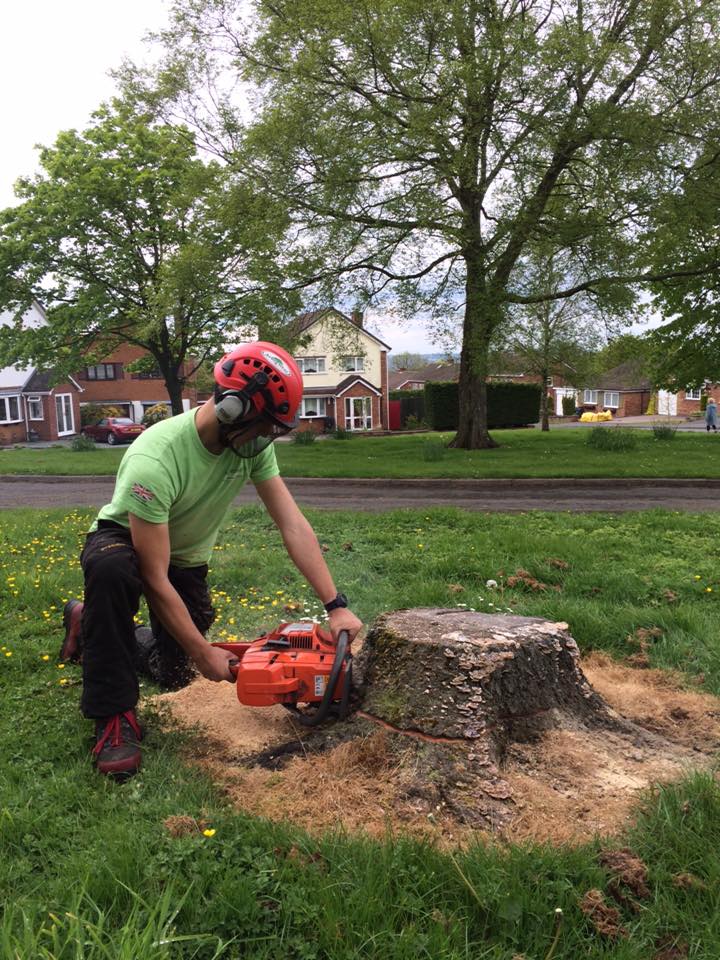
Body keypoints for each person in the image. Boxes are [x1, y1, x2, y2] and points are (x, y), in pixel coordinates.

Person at [60, 341, 363, 778]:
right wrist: (205, 653)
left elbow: (291, 523)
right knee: (114, 572)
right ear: (232, 410)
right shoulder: (154, 458)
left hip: (183, 556)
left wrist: (336, 606)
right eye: (263, 427)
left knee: (175, 670)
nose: (267, 437)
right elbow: (152, 574)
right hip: (124, 540)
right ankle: (114, 719)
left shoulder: (251, 445)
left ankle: (90, 625)